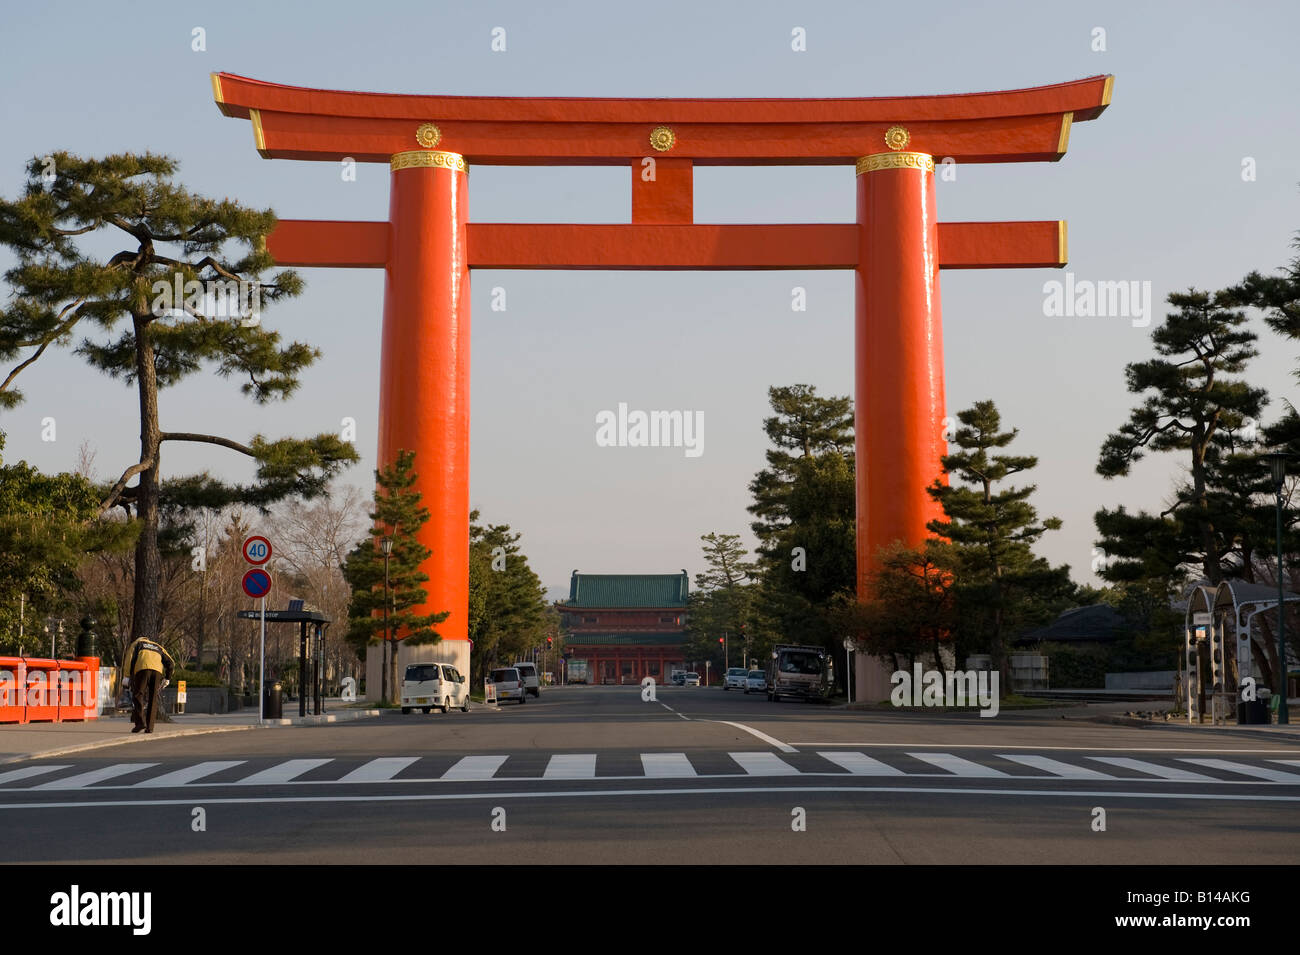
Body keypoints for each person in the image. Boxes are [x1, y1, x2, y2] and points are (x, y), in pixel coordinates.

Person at [124, 636, 175, 734]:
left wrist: (127, 675)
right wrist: (167, 678)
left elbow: (129, 660)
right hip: (157, 672)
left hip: (142, 669)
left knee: (138, 694)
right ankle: (150, 727)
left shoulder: (137, 644)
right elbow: (171, 663)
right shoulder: (158, 646)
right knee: (153, 698)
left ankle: (140, 723)